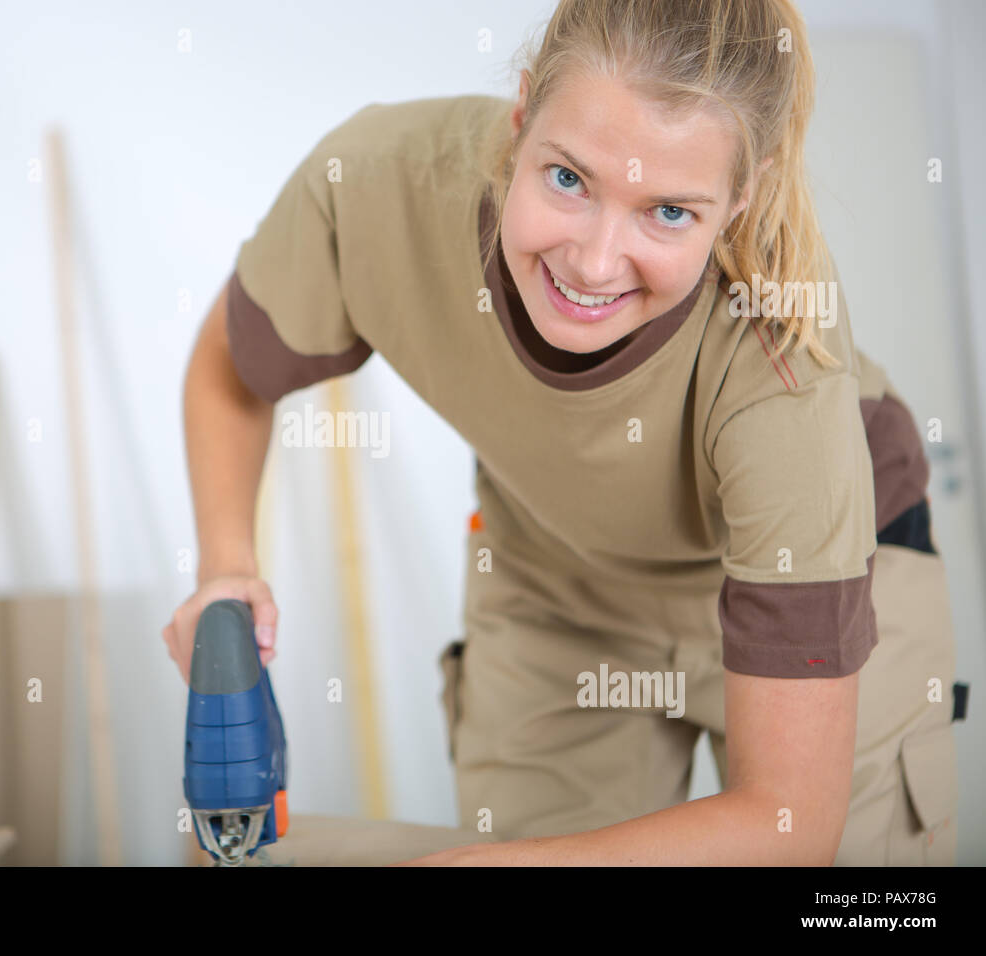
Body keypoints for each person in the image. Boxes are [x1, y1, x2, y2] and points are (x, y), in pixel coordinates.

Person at [164, 0, 961, 865]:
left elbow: (787, 825)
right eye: (569, 179)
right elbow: (229, 369)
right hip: (557, 579)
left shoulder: (783, 366)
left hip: (818, 576)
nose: (592, 263)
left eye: (668, 213)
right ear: (522, 112)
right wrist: (225, 568)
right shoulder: (375, 187)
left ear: (744, 197)